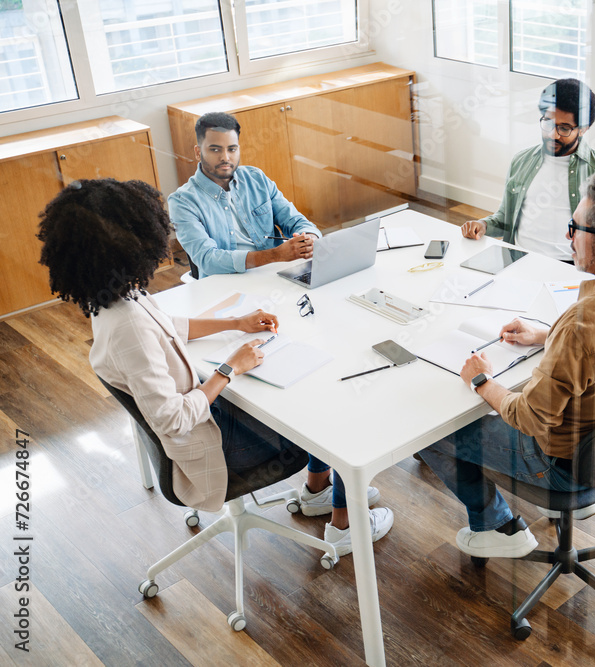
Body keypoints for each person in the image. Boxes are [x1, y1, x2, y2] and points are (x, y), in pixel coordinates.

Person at [38, 178, 392, 557]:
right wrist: (229, 369)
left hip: (207, 423)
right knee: (327, 412)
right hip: (212, 452)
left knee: (305, 387)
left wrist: (235, 323)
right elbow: (173, 419)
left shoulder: (117, 298)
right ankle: (344, 527)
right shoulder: (128, 326)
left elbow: (170, 328)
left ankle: (319, 491)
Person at [420, 173, 595, 558]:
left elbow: (527, 419)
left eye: (575, 227)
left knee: (434, 429)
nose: (568, 237)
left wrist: (480, 379)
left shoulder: (583, 324)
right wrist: (548, 336)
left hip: (562, 467)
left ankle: (499, 526)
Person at [460, 79, 595, 262]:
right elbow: (506, 218)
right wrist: (483, 225)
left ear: (583, 129)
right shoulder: (522, 161)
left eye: (564, 128)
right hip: (518, 257)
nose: (553, 134)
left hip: (572, 266)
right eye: (548, 122)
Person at [169, 112, 321, 278]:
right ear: (198, 152)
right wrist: (275, 255)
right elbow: (208, 259)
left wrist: (310, 239)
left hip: (277, 274)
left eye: (232, 149)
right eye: (215, 150)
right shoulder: (182, 202)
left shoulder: (256, 178)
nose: (225, 158)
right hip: (227, 286)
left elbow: (295, 221)